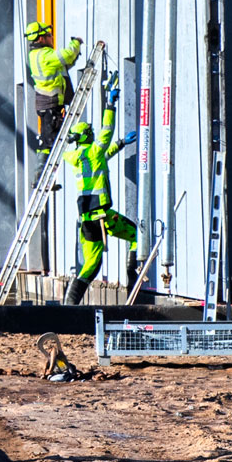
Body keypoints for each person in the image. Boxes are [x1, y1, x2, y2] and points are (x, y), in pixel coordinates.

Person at [63, 77, 139, 305]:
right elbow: (106, 132)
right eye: (90, 132)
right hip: (102, 217)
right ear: (87, 136)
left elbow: (102, 157)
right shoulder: (94, 150)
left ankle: (70, 302)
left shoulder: (77, 157)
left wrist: (122, 144)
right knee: (135, 234)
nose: (94, 133)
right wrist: (110, 105)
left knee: (90, 263)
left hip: (86, 219)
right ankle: (132, 278)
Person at [25, 21, 82, 150]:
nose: (52, 37)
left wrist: (74, 57)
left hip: (47, 103)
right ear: (41, 38)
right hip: (51, 102)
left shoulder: (36, 55)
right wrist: (76, 43)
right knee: (51, 141)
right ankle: (42, 166)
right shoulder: (44, 55)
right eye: (49, 35)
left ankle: (42, 164)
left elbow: (63, 66)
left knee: (47, 138)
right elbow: (66, 55)